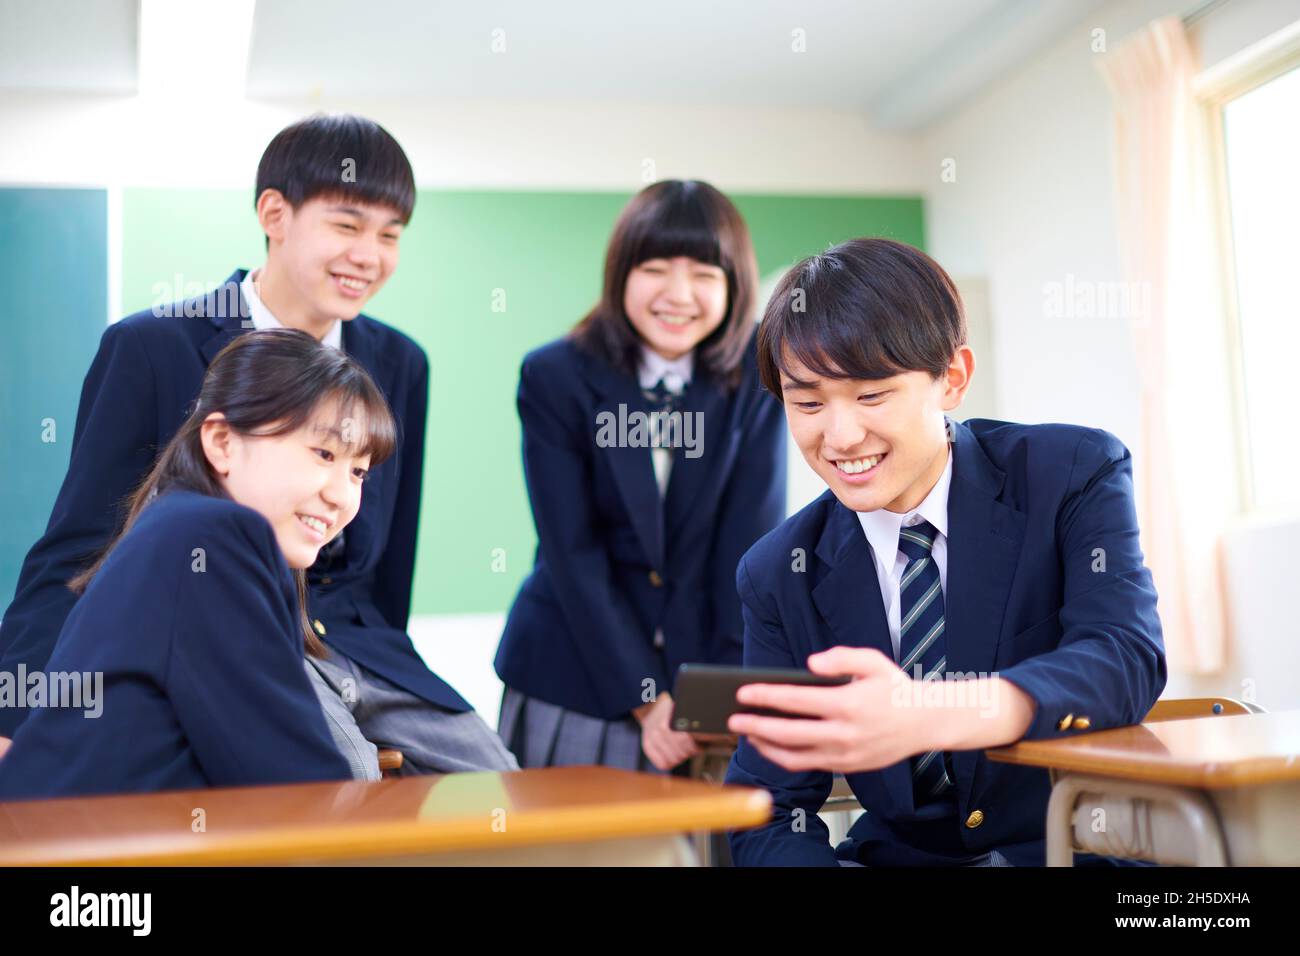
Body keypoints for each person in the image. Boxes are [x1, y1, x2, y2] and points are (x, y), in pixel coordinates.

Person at [0, 113, 516, 773]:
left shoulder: (399, 362)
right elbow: (75, 547)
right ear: (275, 212)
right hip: (224, 639)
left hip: (360, 651)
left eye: (391, 235)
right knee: (336, 788)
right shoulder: (155, 346)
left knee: (497, 778)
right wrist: (15, 713)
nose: (370, 255)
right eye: (348, 225)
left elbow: (388, 567)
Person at [723, 238, 1166, 866]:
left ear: (952, 379)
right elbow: (769, 802)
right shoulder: (777, 572)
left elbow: (1123, 658)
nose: (841, 436)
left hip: (1074, 847)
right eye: (809, 402)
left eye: (872, 395)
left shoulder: (1070, 473)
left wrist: (934, 710)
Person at [0, 330, 393, 799]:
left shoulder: (179, 525)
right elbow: (298, 784)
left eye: (358, 472)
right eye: (323, 454)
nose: (342, 496)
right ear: (223, 442)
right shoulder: (212, 538)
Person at [494, 180, 787, 773]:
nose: (679, 295)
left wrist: (717, 700)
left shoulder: (762, 370)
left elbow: (750, 546)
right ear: (621, 274)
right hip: (574, 673)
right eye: (656, 268)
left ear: (735, 285)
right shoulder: (556, 375)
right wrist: (648, 701)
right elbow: (574, 553)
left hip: (703, 681)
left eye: (705, 273)